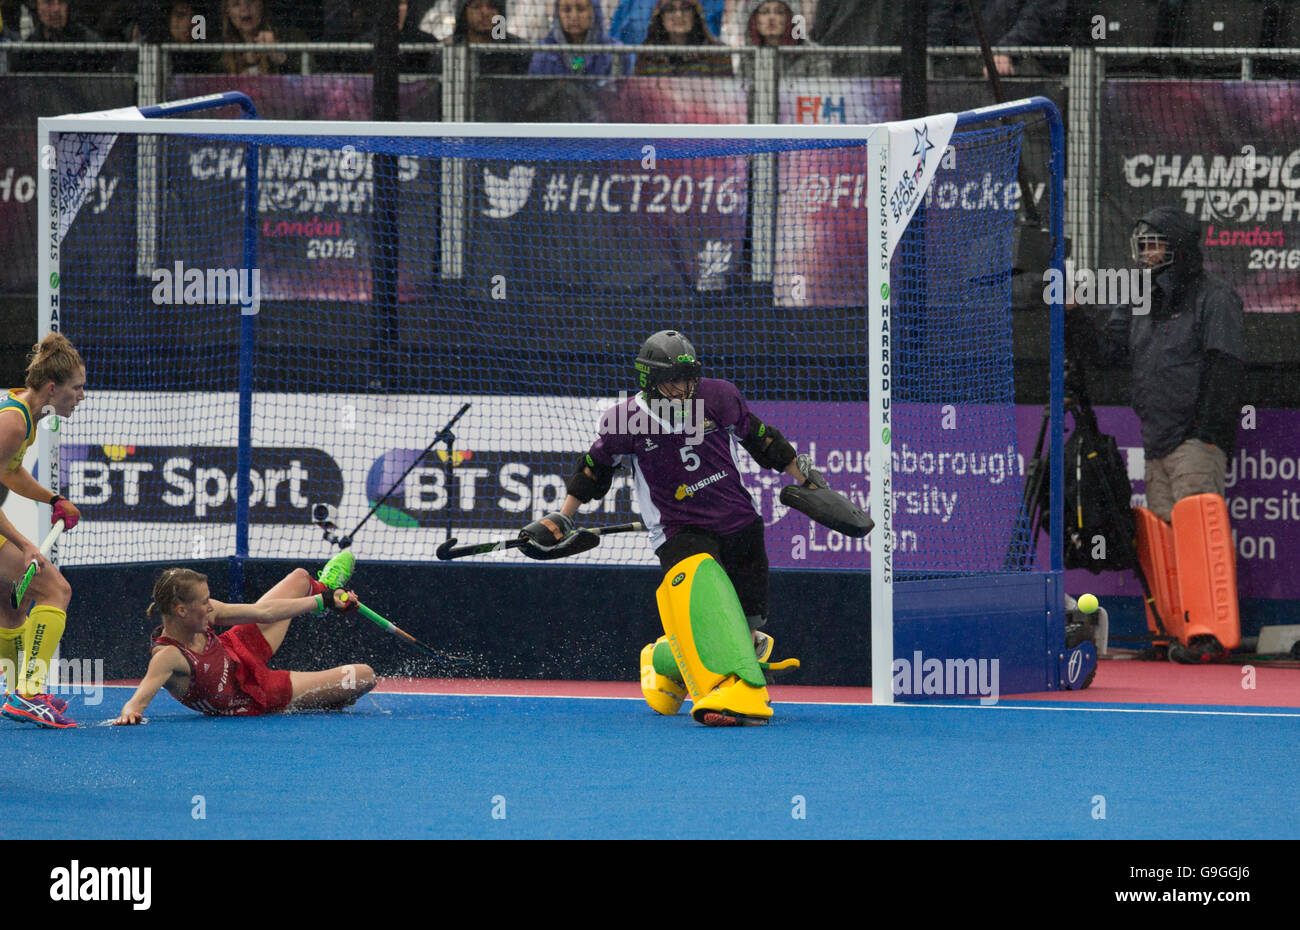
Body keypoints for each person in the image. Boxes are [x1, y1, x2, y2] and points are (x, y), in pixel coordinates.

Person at [519, 330, 870, 726]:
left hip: (740, 522)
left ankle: (663, 660)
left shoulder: (719, 397)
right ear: (649, 380)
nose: (684, 389)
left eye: (689, 379)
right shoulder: (624, 421)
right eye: (674, 380)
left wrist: (806, 478)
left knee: (749, 631)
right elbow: (593, 470)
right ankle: (727, 693)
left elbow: (764, 441)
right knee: (709, 607)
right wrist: (565, 516)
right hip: (679, 531)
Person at [1066, 205, 1246, 659]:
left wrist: (1206, 433)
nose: (1146, 254)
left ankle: (1209, 637)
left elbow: (1226, 370)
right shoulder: (1137, 297)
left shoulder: (1215, 298)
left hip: (1193, 443)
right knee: (1165, 539)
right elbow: (1107, 351)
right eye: (1142, 246)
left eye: (1155, 245)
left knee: (1197, 536)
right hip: (1157, 440)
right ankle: (1175, 630)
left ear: (1178, 248)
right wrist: (1072, 315)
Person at [114, 556, 376, 723]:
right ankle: (328, 698)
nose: (210, 607)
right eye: (204, 602)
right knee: (364, 677)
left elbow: (264, 612)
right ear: (181, 611)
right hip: (251, 693)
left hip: (237, 649)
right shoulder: (168, 657)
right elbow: (137, 701)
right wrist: (130, 712)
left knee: (299, 578)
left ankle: (326, 587)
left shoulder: (207, 613)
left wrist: (324, 600)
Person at [0, 334, 86, 728]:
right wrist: (25, 543)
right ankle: (28, 693)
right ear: (53, 388)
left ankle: (16, 690)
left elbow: (11, 472)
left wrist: (53, 499)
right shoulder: (14, 422)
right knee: (55, 589)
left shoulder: (25, 414)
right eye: (77, 388)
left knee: (11, 604)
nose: (81, 397)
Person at [528, 0, 632, 76]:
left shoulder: (614, 52)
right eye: (566, 10)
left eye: (581, 9)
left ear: (594, 12)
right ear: (557, 14)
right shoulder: (544, 52)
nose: (573, 16)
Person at [634, 0, 731, 76]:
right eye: (670, 9)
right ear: (661, 18)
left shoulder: (717, 52)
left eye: (685, 8)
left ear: (695, 14)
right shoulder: (647, 54)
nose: (679, 15)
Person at [741, 0, 829, 80]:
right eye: (764, 12)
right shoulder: (747, 55)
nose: (772, 17)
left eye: (779, 12)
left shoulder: (815, 55)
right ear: (754, 19)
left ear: (789, 17)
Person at [219, 0, 307, 76]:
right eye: (236, 4)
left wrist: (277, 55)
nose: (244, 9)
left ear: (262, 5)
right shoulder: (218, 47)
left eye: (250, 1)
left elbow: (308, 77)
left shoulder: (292, 36)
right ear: (228, 11)